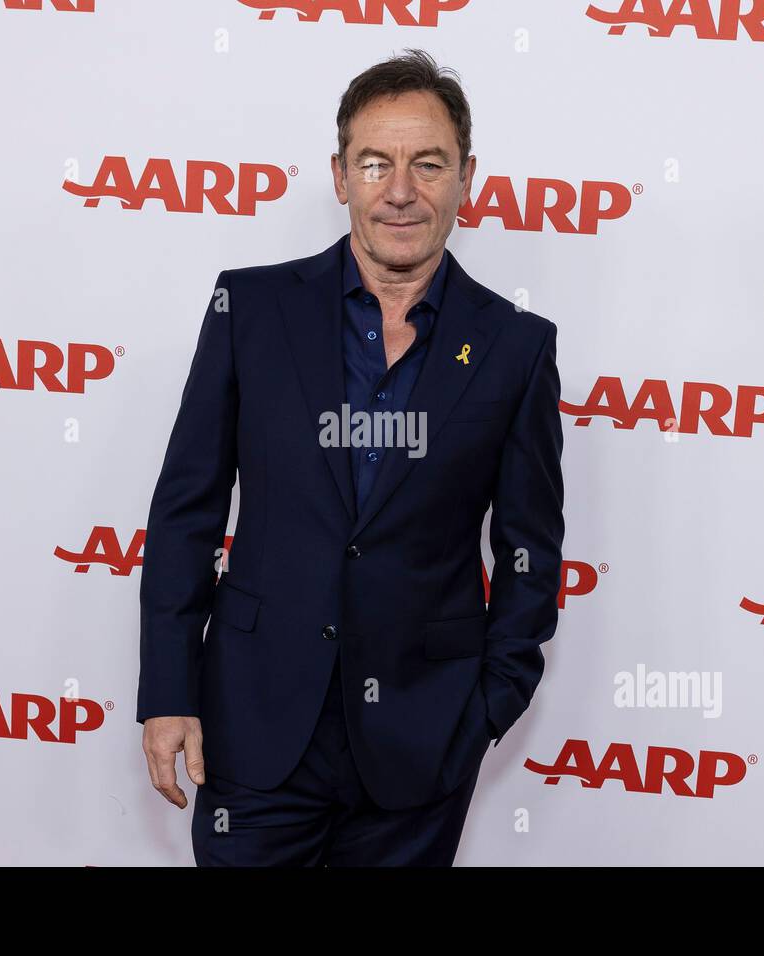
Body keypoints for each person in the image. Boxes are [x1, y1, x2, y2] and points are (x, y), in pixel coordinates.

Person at [137, 48, 564, 866]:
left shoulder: (515, 347)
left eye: (427, 163)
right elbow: (186, 508)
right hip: (253, 727)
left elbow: (529, 549)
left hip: (422, 744)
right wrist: (168, 692)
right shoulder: (250, 308)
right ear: (340, 176)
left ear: (465, 177)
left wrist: (484, 709)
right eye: (376, 163)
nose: (400, 190)